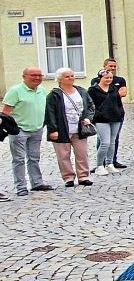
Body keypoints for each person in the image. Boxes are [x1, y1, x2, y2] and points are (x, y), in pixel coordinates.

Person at [2, 68, 52, 197]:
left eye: (39, 75)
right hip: (19, 130)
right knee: (18, 160)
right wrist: (10, 128)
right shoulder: (15, 91)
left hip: (37, 129)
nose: (37, 78)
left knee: (34, 158)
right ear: (24, 76)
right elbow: (6, 113)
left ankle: (37, 183)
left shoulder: (42, 90)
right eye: (33, 75)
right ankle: (21, 187)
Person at [44, 68, 95, 188]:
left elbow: (90, 106)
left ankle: (83, 177)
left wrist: (88, 118)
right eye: (67, 76)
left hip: (80, 129)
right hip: (62, 129)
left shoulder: (81, 91)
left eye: (72, 75)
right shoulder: (54, 95)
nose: (71, 78)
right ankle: (68, 178)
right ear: (60, 79)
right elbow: (50, 113)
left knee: (82, 154)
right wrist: (53, 129)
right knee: (63, 156)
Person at [90, 58, 128, 169]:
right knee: (103, 141)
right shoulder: (94, 85)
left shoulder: (119, 82)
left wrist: (120, 113)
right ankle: (99, 164)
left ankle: (111, 162)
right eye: (110, 66)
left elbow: (123, 93)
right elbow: (92, 102)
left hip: (116, 115)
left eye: (114, 66)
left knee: (113, 140)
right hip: (101, 117)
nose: (113, 68)